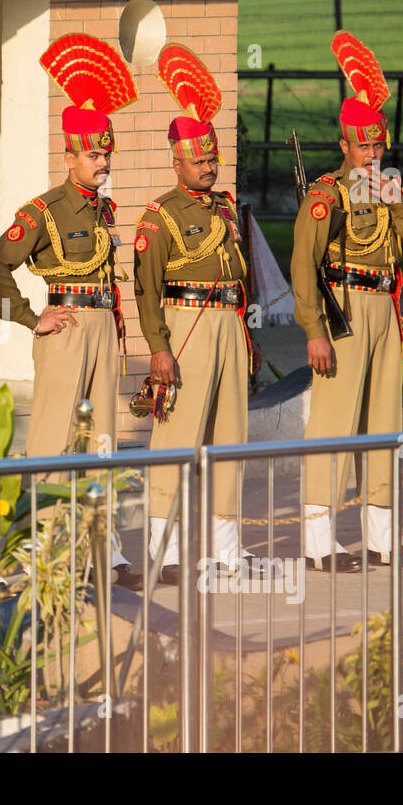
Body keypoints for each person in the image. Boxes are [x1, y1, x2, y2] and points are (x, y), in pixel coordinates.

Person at [0, 32, 141, 591]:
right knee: (50, 439)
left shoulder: (106, 210)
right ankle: (34, 552)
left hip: (102, 327)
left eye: (106, 153)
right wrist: (30, 318)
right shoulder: (44, 210)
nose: (102, 162)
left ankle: (105, 546)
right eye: (94, 153)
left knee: (103, 439)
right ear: (69, 155)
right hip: (65, 324)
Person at [292, 32, 403, 572]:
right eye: (363, 147)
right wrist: (312, 329)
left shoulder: (390, 189)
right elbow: (303, 265)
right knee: (332, 423)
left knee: (382, 423)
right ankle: (318, 539)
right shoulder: (327, 194)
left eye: (378, 146)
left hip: (384, 313)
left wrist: (399, 206)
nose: (372, 155)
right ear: (346, 145)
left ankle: (382, 535)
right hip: (342, 311)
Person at [133, 44, 255, 585]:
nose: (208, 168)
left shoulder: (226, 207)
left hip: (229, 325)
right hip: (185, 328)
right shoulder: (159, 215)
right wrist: (158, 347)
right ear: (177, 161)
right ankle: (167, 550)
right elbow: (144, 289)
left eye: (212, 159)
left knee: (231, 439)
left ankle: (228, 549)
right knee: (176, 439)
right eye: (199, 160)